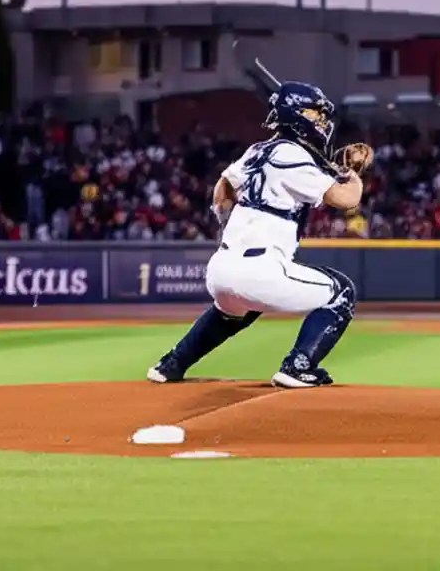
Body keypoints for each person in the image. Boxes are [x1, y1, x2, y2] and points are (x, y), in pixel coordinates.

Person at [147, 82, 369, 388]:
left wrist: (227, 220)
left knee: (235, 311)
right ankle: (298, 366)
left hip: (221, 268)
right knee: (342, 292)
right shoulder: (294, 155)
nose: (321, 120)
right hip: (261, 271)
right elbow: (347, 200)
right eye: (315, 113)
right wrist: (353, 174)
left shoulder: (257, 150)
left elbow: (222, 187)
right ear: (296, 116)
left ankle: (172, 364)